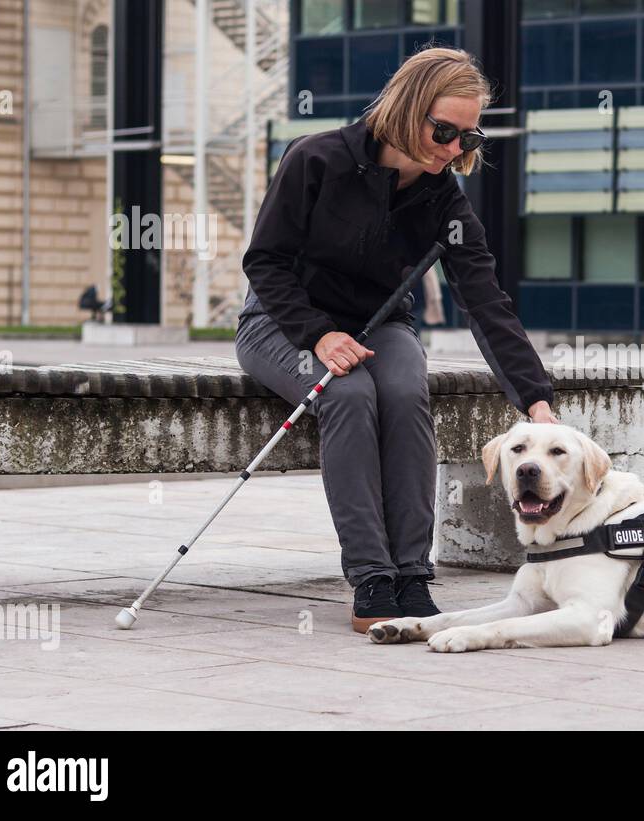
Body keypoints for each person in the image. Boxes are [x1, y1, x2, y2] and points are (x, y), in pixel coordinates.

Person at [234, 46, 557, 633]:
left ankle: (412, 574)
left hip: (382, 323)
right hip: (283, 320)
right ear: (408, 111)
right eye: (444, 131)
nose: (455, 148)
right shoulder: (316, 160)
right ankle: (372, 576)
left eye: (469, 137)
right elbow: (266, 261)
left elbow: (485, 302)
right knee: (348, 395)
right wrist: (319, 334)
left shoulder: (443, 201)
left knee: (407, 390)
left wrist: (536, 401)